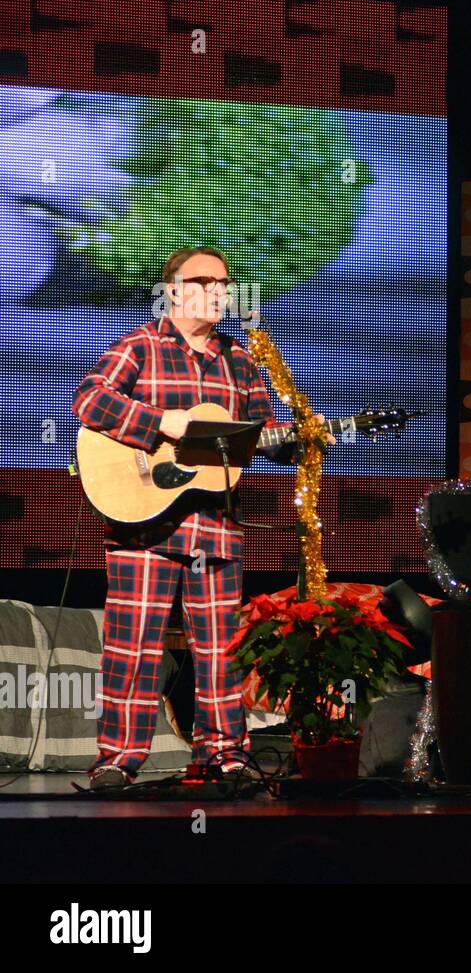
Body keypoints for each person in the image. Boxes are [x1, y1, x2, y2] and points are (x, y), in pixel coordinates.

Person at [73, 245, 331, 788]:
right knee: (133, 645)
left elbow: (262, 435)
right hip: (143, 524)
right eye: (205, 280)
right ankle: (119, 759)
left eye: (224, 282)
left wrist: (304, 438)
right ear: (173, 289)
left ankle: (223, 756)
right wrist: (161, 423)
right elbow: (90, 401)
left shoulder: (240, 361)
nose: (219, 290)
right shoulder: (141, 345)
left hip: (214, 529)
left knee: (219, 651)